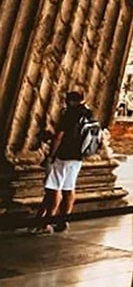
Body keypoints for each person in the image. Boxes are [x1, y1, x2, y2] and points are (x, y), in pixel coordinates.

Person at [32, 91, 93, 234]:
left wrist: (51, 155)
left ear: (69, 101)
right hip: (78, 157)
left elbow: (59, 137)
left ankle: (46, 222)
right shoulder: (89, 114)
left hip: (63, 156)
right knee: (69, 188)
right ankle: (64, 220)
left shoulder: (69, 114)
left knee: (54, 189)